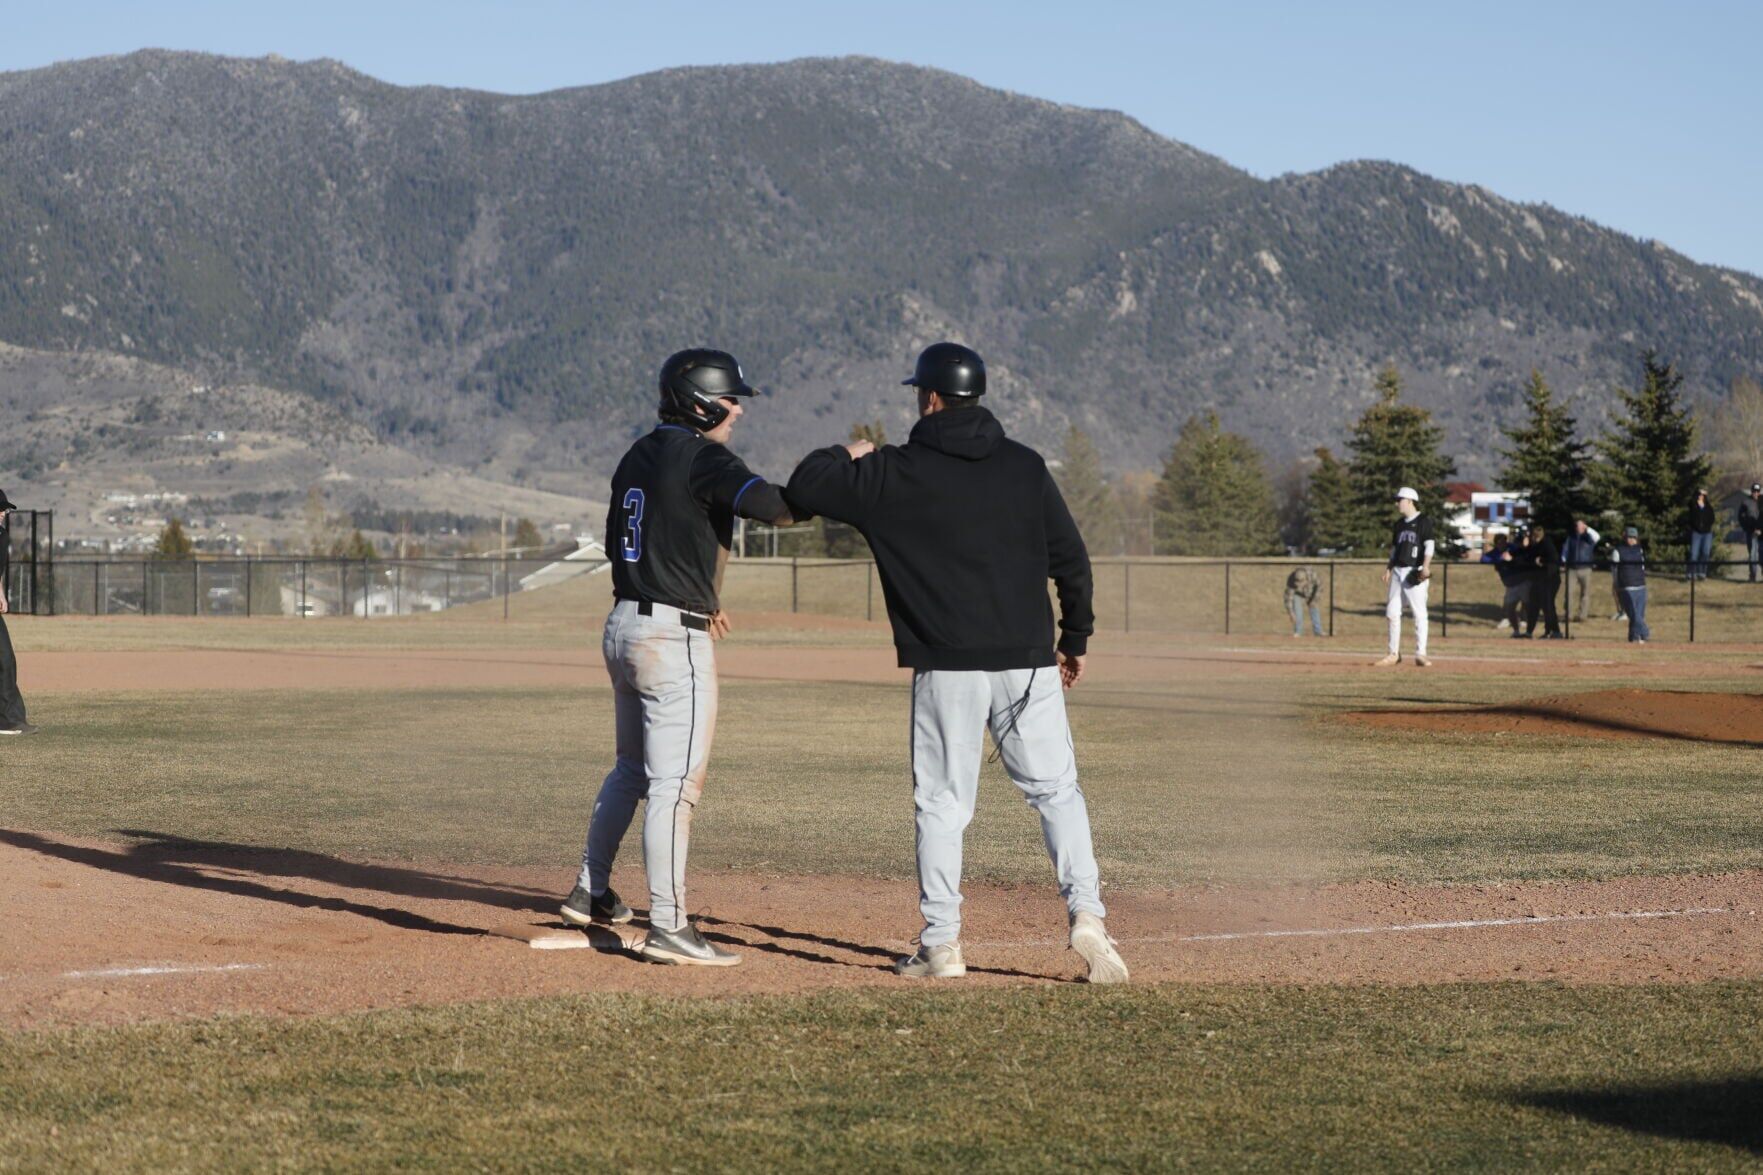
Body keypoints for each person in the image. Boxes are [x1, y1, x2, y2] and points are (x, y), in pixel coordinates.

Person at [785, 341, 1127, 984]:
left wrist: (847, 453)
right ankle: (1088, 917)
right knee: (1056, 792)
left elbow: (804, 485)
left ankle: (941, 946)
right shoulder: (1025, 467)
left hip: (946, 667)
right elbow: (1072, 562)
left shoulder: (892, 470)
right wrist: (1072, 640)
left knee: (943, 805)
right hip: (1026, 661)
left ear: (931, 398)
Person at [562, 349, 797, 967]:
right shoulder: (705, 457)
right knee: (675, 788)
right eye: (730, 399)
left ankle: (591, 888)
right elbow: (775, 507)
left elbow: (644, 536)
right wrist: (840, 469)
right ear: (699, 401)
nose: (739, 410)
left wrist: (698, 592)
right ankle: (668, 926)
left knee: (630, 772)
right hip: (670, 640)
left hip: (624, 623)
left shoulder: (637, 453)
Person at [1373, 487, 1433, 667]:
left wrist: (1427, 567)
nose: (1397, 503)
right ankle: (1393, 653)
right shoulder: (1399, 524)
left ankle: (1421, 654)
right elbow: (1395, 550)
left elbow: (1429, 545)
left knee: (1419, 613)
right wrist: (1388, 569)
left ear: (1410, 501)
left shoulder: (1424, 521)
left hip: (1415, 571)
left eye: (1399, 500)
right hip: (1398, 571)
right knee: (1392, 612)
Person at [0, 489, 38, 736]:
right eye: (0, 508)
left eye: (4, 509)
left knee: (5, 659)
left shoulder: (1, 536)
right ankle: (8, 721)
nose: (3, 513)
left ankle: (9, 720)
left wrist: (0, 593)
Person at [1525, 525, 1563, 639]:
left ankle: (1554, 631)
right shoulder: (1534, 546)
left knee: (1548, 605)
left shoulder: (1547, 544)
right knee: (1534, 604)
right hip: (1538, 579)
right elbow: (1528, 557)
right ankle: (1529, 632)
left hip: (1550, 579)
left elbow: (1554, 560)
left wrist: (1542, 561)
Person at [1612, 526, 1649, 643]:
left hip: (1640, 585)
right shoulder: (1617, 551)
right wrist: (1615, 584)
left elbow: (1643, 566)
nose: (1632, 540)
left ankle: (1634, 637)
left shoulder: (1639, 550)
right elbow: (1614, 570)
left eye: (1634, 537)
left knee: (1639, 614)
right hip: (1626, 586)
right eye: (1629, 537)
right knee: (1634, 614)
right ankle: (1645, 632)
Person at [1560, 518, 1600, 623]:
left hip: (1585, 569)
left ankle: (1582, 615)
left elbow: (1597, 537)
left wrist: (1588, 529)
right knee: (1569, 593)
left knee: (1585, 593)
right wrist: (1564, 560)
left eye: (1580, 525)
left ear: (1584, 526)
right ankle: (1568, 615)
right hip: (1572, 569)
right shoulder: (1571, 538)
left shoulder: (1589, 538)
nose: (1577, 527)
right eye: (1576, 525)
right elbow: (1565, 549)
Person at [1493, 529, 1532, 636]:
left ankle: (1527, 628)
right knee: (1510, 607)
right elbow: (1500, 565)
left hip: (1524, 582)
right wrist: (1505, 560)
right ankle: (1515, 630)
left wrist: (1511, 560)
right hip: (1513, 584)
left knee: (1527, 604)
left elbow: (1525, 563)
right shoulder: (1513, 551)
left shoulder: (1528, 551)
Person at [1284, 565, 1323, 637]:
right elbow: (1288, 598)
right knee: (1297, 610)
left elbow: (1319, 587)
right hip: (1297, 594)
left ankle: (1318, 631)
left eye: (1301, 582)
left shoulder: (1313, 575)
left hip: (1311, 591)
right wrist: (1291, 613)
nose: (1299, 585)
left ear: (1306, 579)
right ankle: (1298, 632)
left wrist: (1314, 600)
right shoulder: (1291, 580)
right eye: (1297, 582)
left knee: (1314, 608)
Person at [1687, 489, 1716, 581]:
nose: (1701, 496)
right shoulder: (1693, 505)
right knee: (1694, 554)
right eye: (1699, 495)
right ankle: (1691, 573)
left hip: (1707, 533)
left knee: (1705, 553)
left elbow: (1712, 518)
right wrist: (1697, 491)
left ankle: (1702, 572)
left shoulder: (1708, 507)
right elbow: (1691, 515)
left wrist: (1706, 526)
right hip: (1696, 533)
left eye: (1703, 495)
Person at [1738, 483, 1761, 583]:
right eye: (1754, 491)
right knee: (1753, 555)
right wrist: (1748, 528)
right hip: (1751, 533)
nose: (1756, 493)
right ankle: (1753, 576)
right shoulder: (1745, 503)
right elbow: (1741, 518)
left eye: (1757, 491)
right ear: (1751, 491)